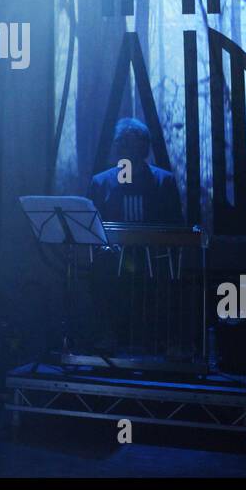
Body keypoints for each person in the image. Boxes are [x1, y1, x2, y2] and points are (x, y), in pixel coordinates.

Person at [85, 118, 184, 351]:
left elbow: (176, 227)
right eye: (121, 143)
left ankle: (155, 340)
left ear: (144, 148)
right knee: (103, 269)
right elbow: (91, 228)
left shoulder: (163, 182)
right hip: (112, 261)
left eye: (130, 144)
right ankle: (108, 334)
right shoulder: (101, 183)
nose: (124, 149)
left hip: (154, 260)